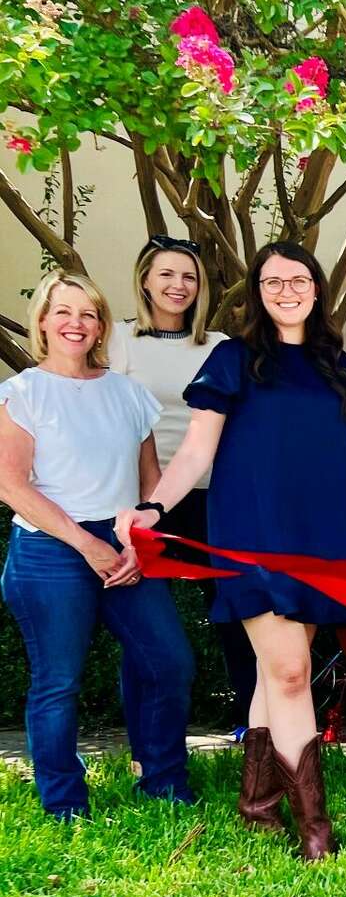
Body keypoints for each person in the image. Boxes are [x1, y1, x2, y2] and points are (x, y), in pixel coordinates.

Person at [119, 241, 346, 856]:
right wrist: (154, 507)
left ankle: (258, 808)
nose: (285, 290)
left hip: (322, 537)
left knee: (272, 679)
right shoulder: (234, 357)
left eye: (297, 279)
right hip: (252, 534)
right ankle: (315, 828)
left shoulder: (338, 362)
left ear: (316, 288)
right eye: (272, 281)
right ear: (256, 291)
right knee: (290, 672)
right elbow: (197, 451)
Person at [1, 272, 195, 820]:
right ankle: (64, 801)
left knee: (169, 661)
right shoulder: (21, 393)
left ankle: (164, 784)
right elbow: (10, 484)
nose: (75, 324)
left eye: (87, 314)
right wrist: (87, 544)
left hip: (124, 547)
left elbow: (150, 481)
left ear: (101, 325)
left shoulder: (128, 394)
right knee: (58, 681)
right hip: (51, 548)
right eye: (62, 312)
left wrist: (139, 543)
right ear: (42, 321)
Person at [108, 235, 255, 741]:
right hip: (145, 500)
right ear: (145, 280)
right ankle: (143, 737)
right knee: (146, 622)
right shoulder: (119, 340)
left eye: (189, 276)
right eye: (166, 274)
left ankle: (250, 725)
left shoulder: (217, 347)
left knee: (236, 611)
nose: (178, 285)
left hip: (213, 496)